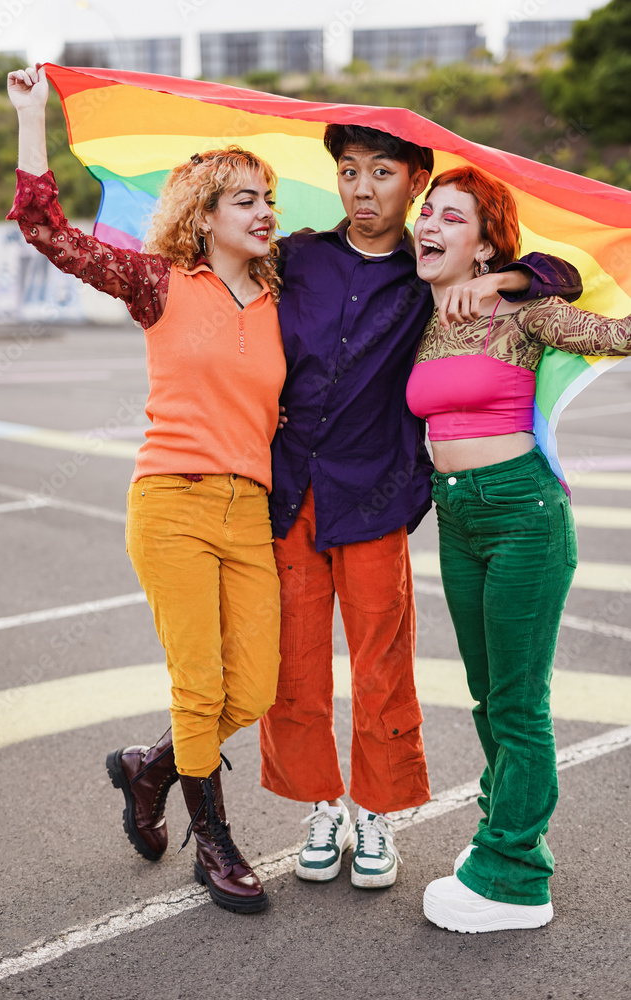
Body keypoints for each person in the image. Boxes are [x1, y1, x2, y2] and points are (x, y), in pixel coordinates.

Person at [108, 120, 583, 891]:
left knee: (380, 666)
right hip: (286, 493)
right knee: (291, 670)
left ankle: (375, 814)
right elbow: (212, 262)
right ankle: (322, 808)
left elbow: (557, 274)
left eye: (382, 173)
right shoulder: (295, 257)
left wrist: (505, 282)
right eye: (349, 171)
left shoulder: (429, 273)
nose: (363, 189)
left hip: (375, 497)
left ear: (414, 184)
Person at [7, 65, 287, 914]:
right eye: (245, 199)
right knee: (199, 687)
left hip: (250, 510)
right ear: (203, 215)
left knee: (253, 689)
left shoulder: (284, 296)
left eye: (269, 198)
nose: (265, 211)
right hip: (171, 503)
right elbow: (46, 230)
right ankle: (216, 846)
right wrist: (30, 116)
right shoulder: (160, 283)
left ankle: (148, 767)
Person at [406, 165, 631, 931]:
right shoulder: (420, 313)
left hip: (522, 514)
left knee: (517, 701)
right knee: (485, 694)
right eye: (426, 211)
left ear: (483, 245)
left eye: (451, 217)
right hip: (456, 517)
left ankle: (515, 877)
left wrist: (506, 278)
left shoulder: (523, 310)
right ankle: (501, 832)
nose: (427, 225)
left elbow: (598, 312)